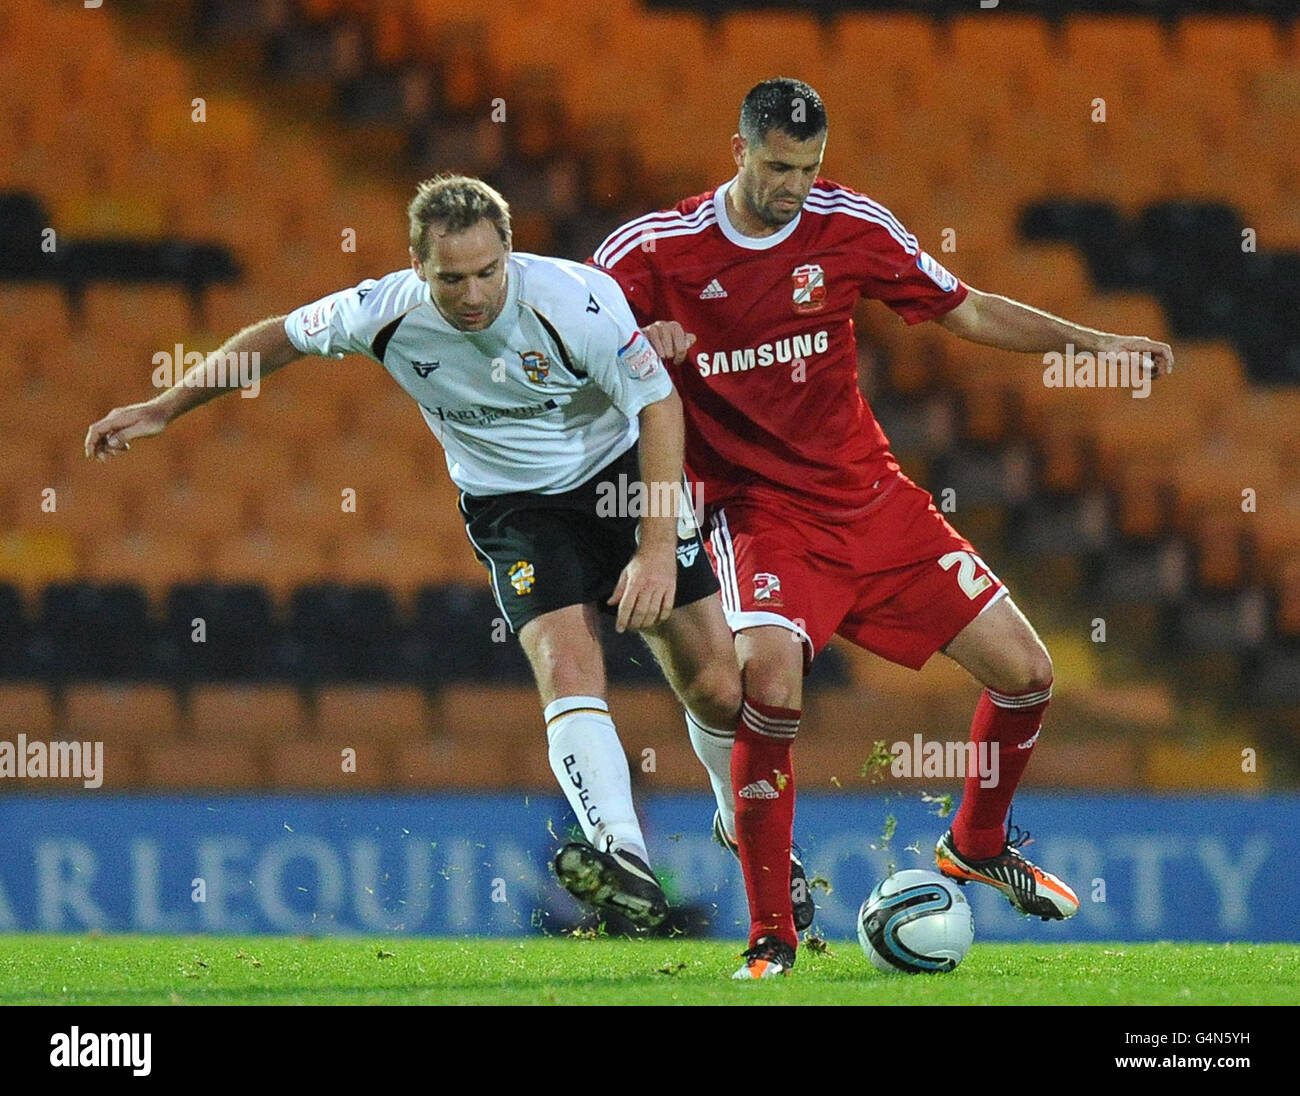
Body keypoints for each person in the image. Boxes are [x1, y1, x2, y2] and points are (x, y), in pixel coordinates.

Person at [592, 79, 1175, 977]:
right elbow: (570, 349)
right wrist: (632, 355)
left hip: (874, 500)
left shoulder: (851, 226)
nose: (793, 186)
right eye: (778, 166)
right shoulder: (651, 252)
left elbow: (968, 307)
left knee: (1028, 674)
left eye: (810, 168)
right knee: (771, 687)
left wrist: (1095, 345)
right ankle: (769, 938)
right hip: (761, 517)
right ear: (738, 148)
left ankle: (976, 845)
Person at [85, 174, 755, 931]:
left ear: (510, 254)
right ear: (416, 268)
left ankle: (744, 825)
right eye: (451, 278)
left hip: (620, 474)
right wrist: (165, 406)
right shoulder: (383, 312)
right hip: (515, 508)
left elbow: (658, 402)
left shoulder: (576, 300)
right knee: (565, 663)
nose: (473, 296)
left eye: (486, 273)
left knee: (719, 690)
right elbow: (277, 339)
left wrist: (657, 547)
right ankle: (623, 855)